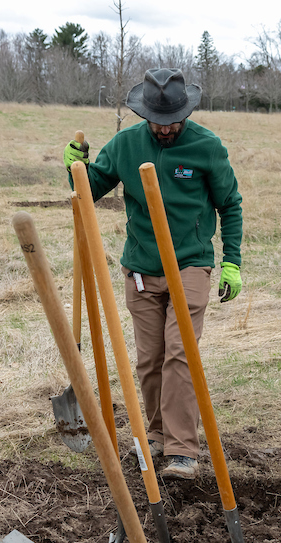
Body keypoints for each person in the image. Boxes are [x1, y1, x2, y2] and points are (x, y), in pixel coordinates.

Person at [64, 68, 243, 481]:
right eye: (157, 122)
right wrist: (77, 170)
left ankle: (182, 450)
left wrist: (231, 262)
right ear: (145, 115)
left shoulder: (206, 147)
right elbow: (89, 194)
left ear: (186, 112)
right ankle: (158, 435)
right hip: (141, 268)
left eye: (173, 121)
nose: (165, 130)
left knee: (181, 357)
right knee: (149, 361)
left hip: (190, 264)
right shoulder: (126, 145)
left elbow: (230, 204)